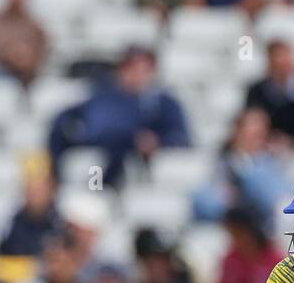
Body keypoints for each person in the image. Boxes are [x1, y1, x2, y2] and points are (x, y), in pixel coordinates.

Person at [48, 45, 189, 189]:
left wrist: (158, 142)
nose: (136, 75)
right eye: (130, 68)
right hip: (96, 159)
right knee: (91, 177)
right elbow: (65, 121)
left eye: (143, 70)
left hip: (135, 166)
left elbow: (180, 137)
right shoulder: (103, 95)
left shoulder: (163, 104)